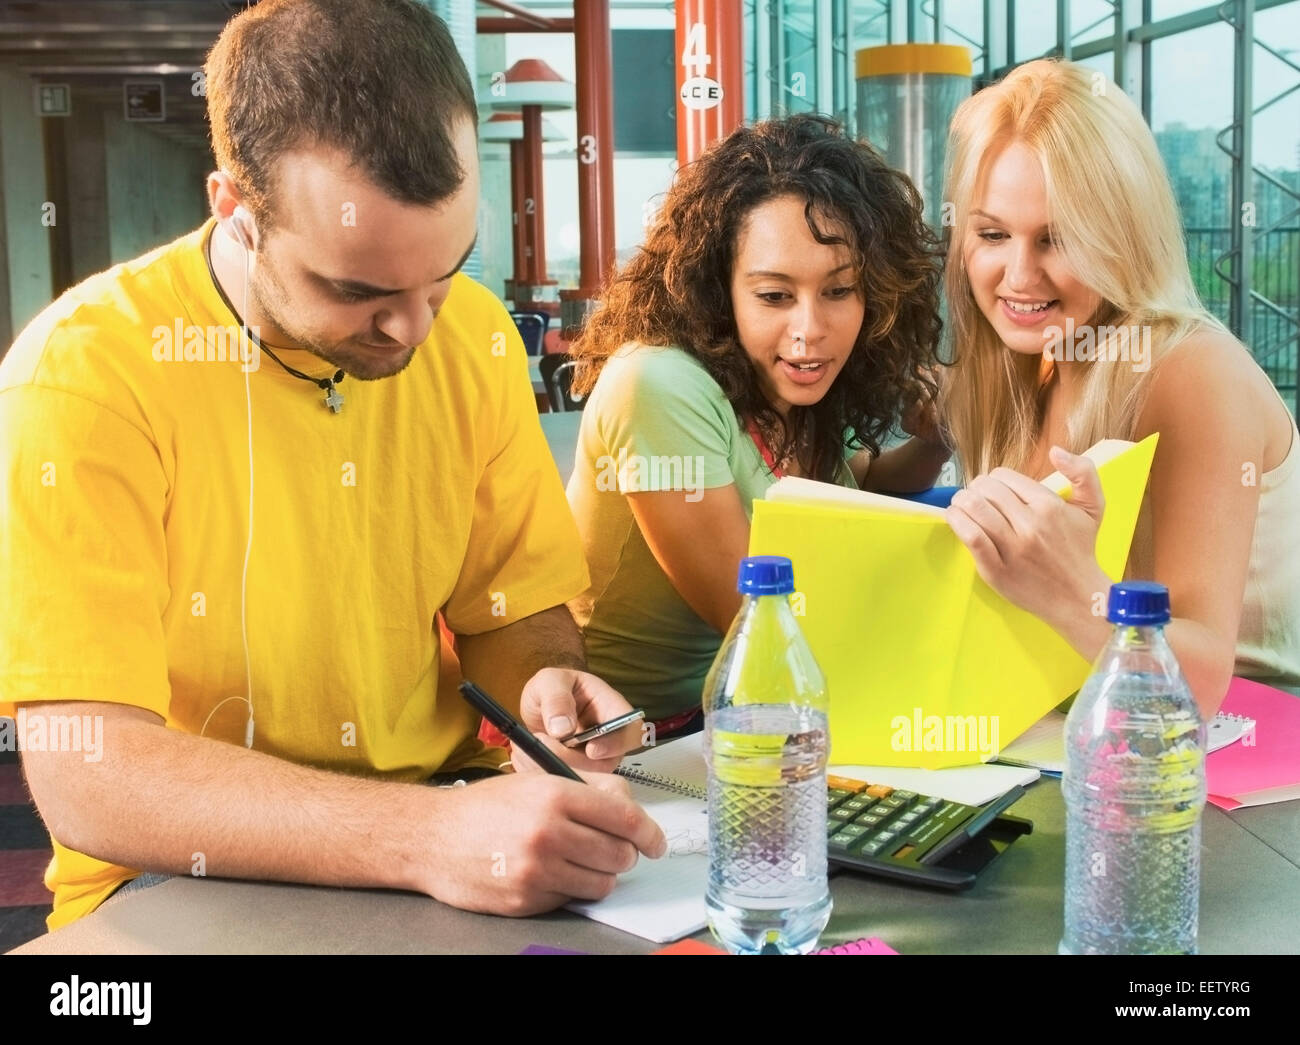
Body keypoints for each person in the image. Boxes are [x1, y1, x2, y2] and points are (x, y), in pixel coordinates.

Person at [0, 0, 665, 932]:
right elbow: (89, 772)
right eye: (358, 290)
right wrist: (425, 838)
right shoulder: (84, 376)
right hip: (180, 888)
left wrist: (545, 691)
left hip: (450, 827)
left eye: (444, 274)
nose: (415, 328)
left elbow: (513, 616)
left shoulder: (470, 337)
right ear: (233, 208)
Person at [939, 59, 1300, 717]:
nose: (1019, 274)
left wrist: (1070, 585)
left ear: (1121, 237)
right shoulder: (1035, 364)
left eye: (1059, 238)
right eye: (992, 234)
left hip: (1250, 766)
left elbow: (1203, 683)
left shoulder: (1192, 368)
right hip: (1097, 730)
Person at [566, 115, 948, 737]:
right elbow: (755, 620)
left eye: (839, 290)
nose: (810, 329)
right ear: (720, 290)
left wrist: (934, 440)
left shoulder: (796, 382)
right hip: (613, 740)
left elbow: (862, 480)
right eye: (774, 296)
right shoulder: (660, 385)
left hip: (737, 711)